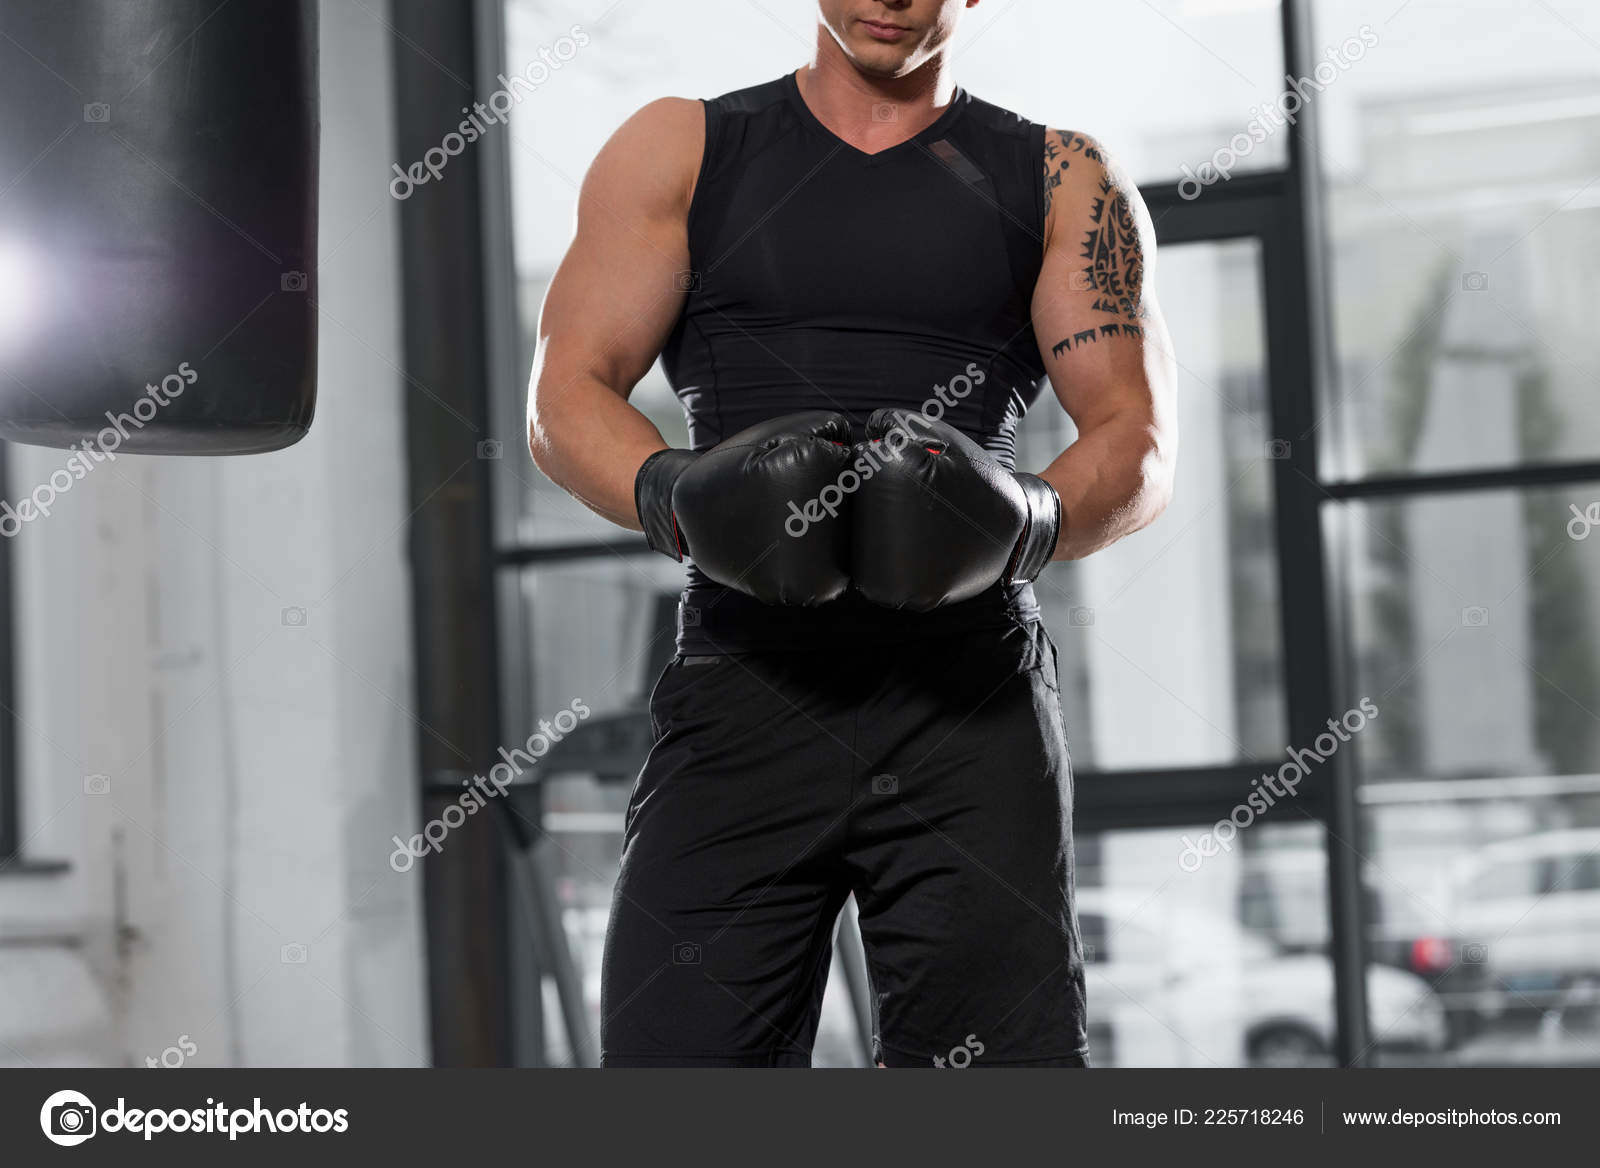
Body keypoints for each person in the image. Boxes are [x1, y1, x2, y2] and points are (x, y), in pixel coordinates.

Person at [527, 0, 1176, 1067]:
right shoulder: (681, 148)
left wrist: (1027, 520)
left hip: (968, 704)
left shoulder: (1061, 178)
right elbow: (564, 396)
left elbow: (1134, 437)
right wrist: (677, 493)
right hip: (745, 684)